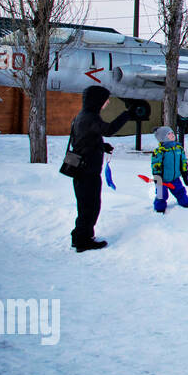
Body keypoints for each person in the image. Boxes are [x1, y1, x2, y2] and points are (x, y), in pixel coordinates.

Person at [68, 86, 132, 252]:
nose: (108, 102)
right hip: (87, 171)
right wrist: (127, 114)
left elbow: (84, 140)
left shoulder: (82, 117)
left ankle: (79, 236)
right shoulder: (90, 117)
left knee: (85, 205)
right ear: (97, 100)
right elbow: (109, 130)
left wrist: (101, 146)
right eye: (106, 99)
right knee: (90, 206)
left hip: (82, 169)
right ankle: (84, 241)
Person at [150, 126, 188, 213]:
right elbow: (156, 164)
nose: (172, 135)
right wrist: (157, 177)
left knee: (180, 192)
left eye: (172, 133)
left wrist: (185, 173)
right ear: (163, 137)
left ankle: (186, 204)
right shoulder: (160, 151)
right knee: (161, 195)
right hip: (162, 179)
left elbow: (183, 161)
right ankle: (159, 209)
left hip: (175, 179)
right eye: (169, 134)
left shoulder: (178, 148)